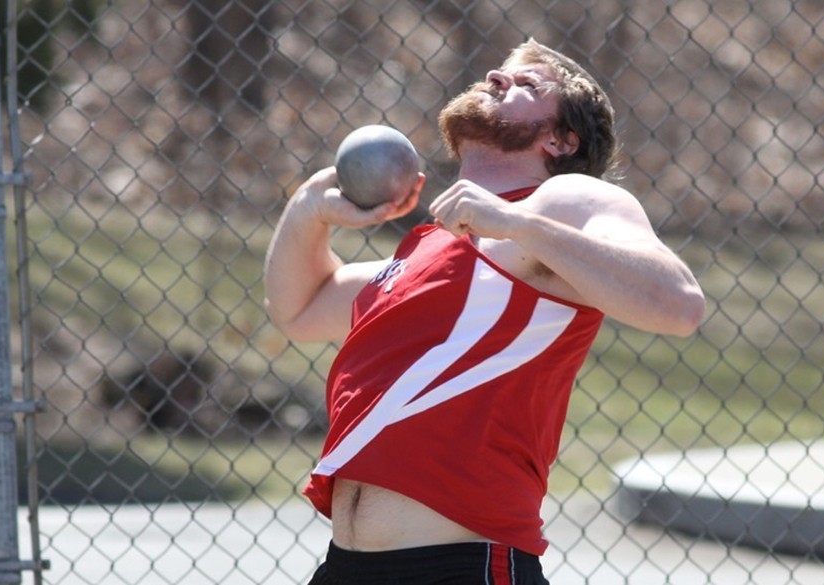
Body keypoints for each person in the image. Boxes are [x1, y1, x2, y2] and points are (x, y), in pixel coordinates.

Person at [263, 39, 705, 585]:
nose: (496, 75)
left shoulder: (562, 201)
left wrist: (520, 224)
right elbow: (299, 308)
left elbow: (678, 303)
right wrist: (310, 206)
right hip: (346, 568)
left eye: (528, 84)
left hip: (463, 567)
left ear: (560, 140)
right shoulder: (427, 248)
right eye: (500, 72)